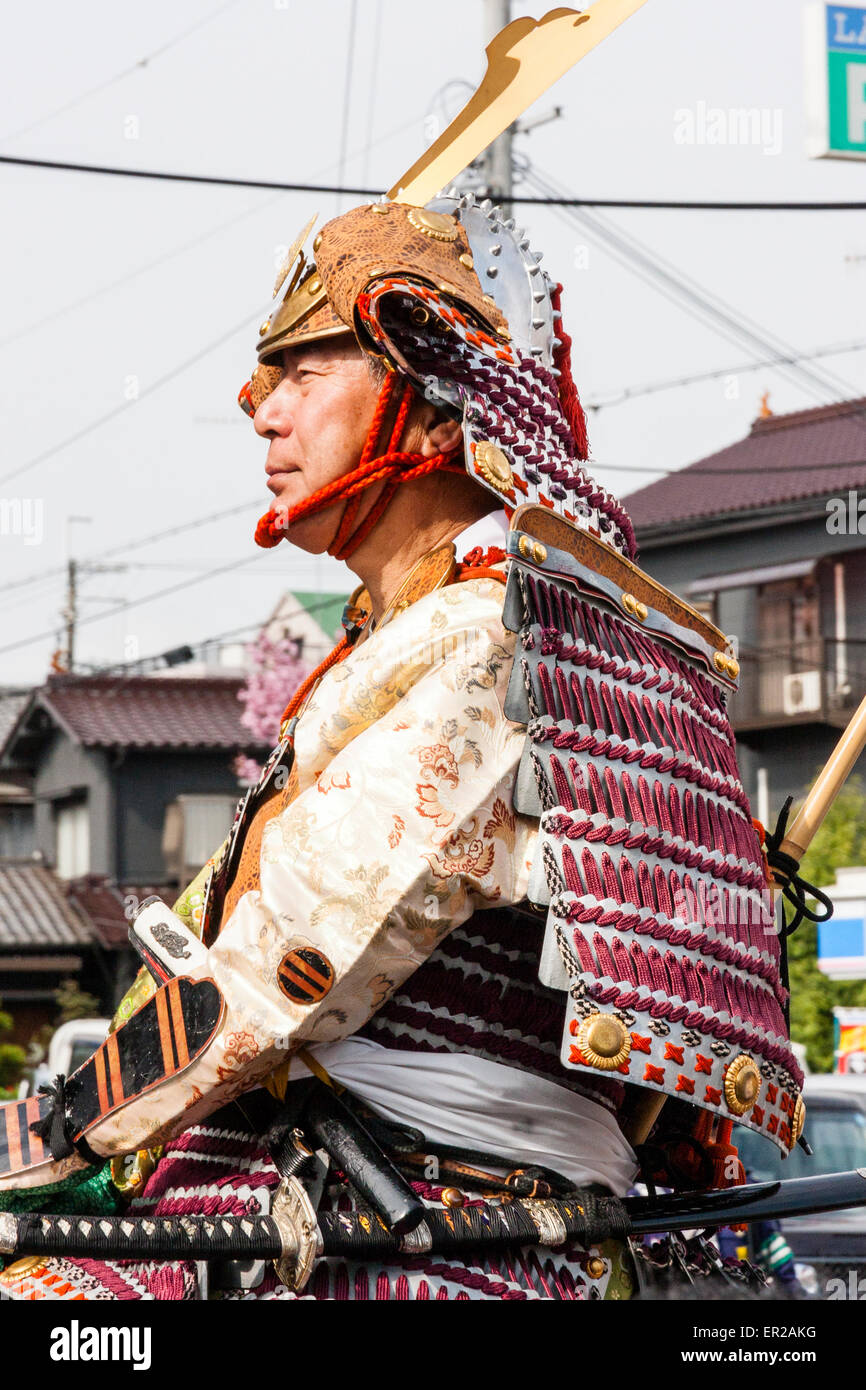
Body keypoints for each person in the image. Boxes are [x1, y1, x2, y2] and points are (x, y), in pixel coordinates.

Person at [0, 195, 803, 1303]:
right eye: (259, 383)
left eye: (303, 374)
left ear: (433, 412)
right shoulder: (442, 631)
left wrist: (49, 1140)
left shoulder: (493, 640)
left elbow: (284, 968)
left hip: (407, 1237)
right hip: (352, 1205)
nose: (263, 417)